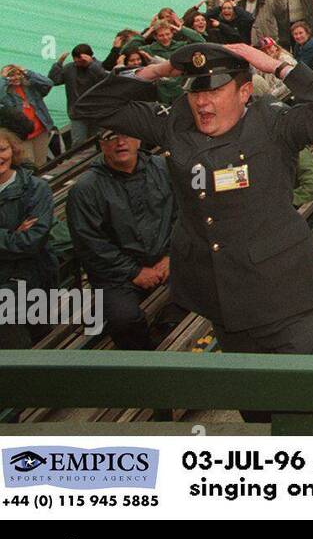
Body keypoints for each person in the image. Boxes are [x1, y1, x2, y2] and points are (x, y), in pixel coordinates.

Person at [74, 42, 313, 364]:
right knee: (252, 397)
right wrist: (158, 70)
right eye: (195, 92)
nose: (203, 103)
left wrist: (277, 66)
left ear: (245, 91)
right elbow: (89, 108)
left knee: (308, 397)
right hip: (220, 292)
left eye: (215, 91)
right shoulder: (174, 125)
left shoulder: (275, 125)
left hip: (283, 291)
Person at [66, 128, 179, 350]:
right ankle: (142, 366)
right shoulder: (86, 189)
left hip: (167, 260)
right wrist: (133, 272)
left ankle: (164, 331)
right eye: (111, 137)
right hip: (116, 276)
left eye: (126, 134)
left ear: (138, 137)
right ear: (100, 143)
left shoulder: (164, 168)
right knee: (123, 318)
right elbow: (90, 245)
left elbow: (183, 214)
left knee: (207, 287)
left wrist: (170, 256)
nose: (120, 142)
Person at [0, 127, 58, 348]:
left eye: (2, 149)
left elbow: (32, 242)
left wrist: (17, 239)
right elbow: (19, 242)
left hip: (31, 276)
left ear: (13, 150)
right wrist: (12, 235)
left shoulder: (35, 188)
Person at [50, 45, 107, 147]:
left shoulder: (99, 67)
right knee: (78, 143)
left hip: (97, 112)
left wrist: (91, 65)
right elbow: (54, 80)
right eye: (75, 60)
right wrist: (59, 64)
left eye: (80, 61)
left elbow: (106, 80)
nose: (78, 63)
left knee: (99, 142)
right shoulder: (69, 68)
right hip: (78, 113)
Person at [0, 64, 55, 168]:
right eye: (11, 75)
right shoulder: (6, 94)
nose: (16, 77)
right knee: (29, 165)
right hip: (22, 136)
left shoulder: (30, 87)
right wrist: (4, 78)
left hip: (40, 131)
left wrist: (26, 72)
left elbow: (48, 83)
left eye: (18, 74)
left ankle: (41, 183)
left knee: (41, 163)